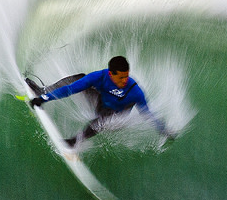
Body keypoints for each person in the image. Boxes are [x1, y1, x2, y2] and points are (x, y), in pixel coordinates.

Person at [28, 56, 174, 148]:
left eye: (126, 76)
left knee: (103, 120)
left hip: (118, 118)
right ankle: (43, 91)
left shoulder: (134, 90)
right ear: (111, 74)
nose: (125, 80)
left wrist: (163, 130)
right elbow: (70, 89)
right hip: (101, 104)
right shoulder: (99, 77)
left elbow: (147, 113)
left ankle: (75, 141)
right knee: (78, 79)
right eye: (121, 77)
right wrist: (44, 99)